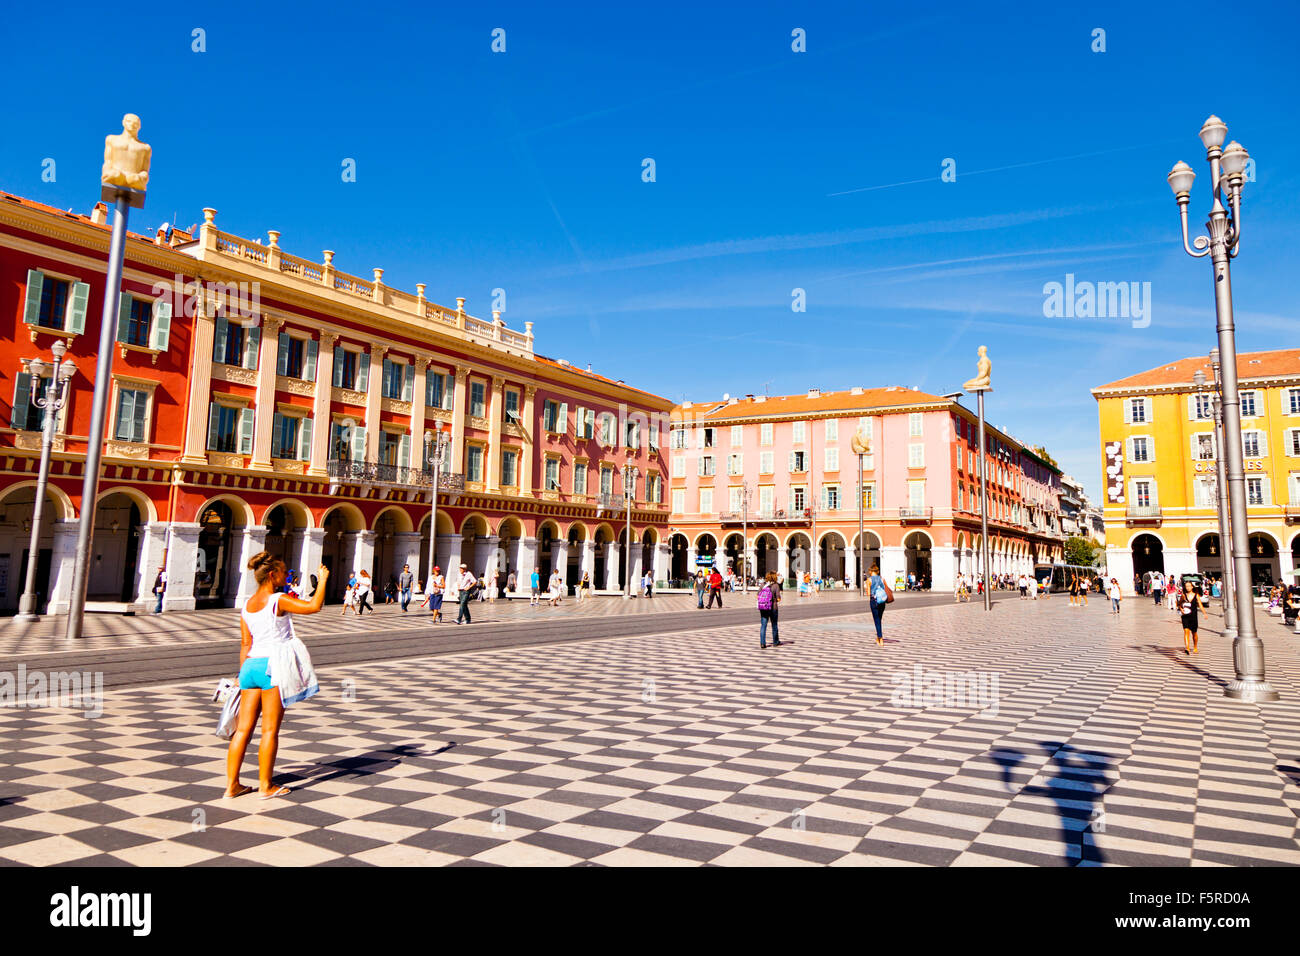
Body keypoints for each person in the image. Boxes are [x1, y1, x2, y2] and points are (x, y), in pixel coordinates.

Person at [225, 552, 328, 799]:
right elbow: (314, 607)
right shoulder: (278, 600)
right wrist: (322, 580)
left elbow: (245, 643)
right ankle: (265, 785)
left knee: (243, 730)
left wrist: (241, 676)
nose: (287, 574)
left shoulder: (248, 605)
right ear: (273, 575)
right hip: (272, 667)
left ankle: (232, 786)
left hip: (250, 667)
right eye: (284, 571)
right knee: (269, 730)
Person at [1178, 579, 1207, 655]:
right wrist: (1181, 609)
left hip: (1193, 616)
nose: (1187, 587)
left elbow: (1200, 605)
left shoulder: (1196, 595)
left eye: (1189, 586)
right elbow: (1179, 604)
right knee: (1186, 631)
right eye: (1186, 586)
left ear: (1192, 587)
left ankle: (1195, 647)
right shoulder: (1183, 595)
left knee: (1194, 633)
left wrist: (1204, 613)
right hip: (1185, 616)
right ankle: (1187, 648)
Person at [867, 563, 891, 646]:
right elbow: (886, 588)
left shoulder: (869, 580)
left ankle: (880, 638)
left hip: (874, 601)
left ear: (870, 571)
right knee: (879, 619)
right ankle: (878, 637)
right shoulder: (882, 578)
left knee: (876, 620)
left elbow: (868, 593)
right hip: (882, 601)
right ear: (877, 571)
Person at [758, 571, 784, 649]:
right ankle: (775, 642)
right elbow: (778, 598)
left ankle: (763, 643)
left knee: (763, 625)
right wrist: (775, 600)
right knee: (774, 625)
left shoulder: (763, 585)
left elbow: (758, 595)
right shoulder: (776, 585)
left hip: (763, 608)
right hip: (773, 608)